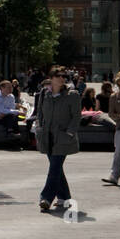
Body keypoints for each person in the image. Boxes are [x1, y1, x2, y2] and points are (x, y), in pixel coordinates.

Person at [32, 68, 80, 211]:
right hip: (47, 136)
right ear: (51, 78)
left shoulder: (72, 95)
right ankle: (64, 197)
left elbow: (76, 116)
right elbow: (39, 113)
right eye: (58, 76)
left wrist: (70, 133)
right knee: (57, 168)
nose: (61, 78)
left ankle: (45, 198)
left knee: (54, 168)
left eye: (64, 76)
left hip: (63, 137)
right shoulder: (44, 94)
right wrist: (39, 128)